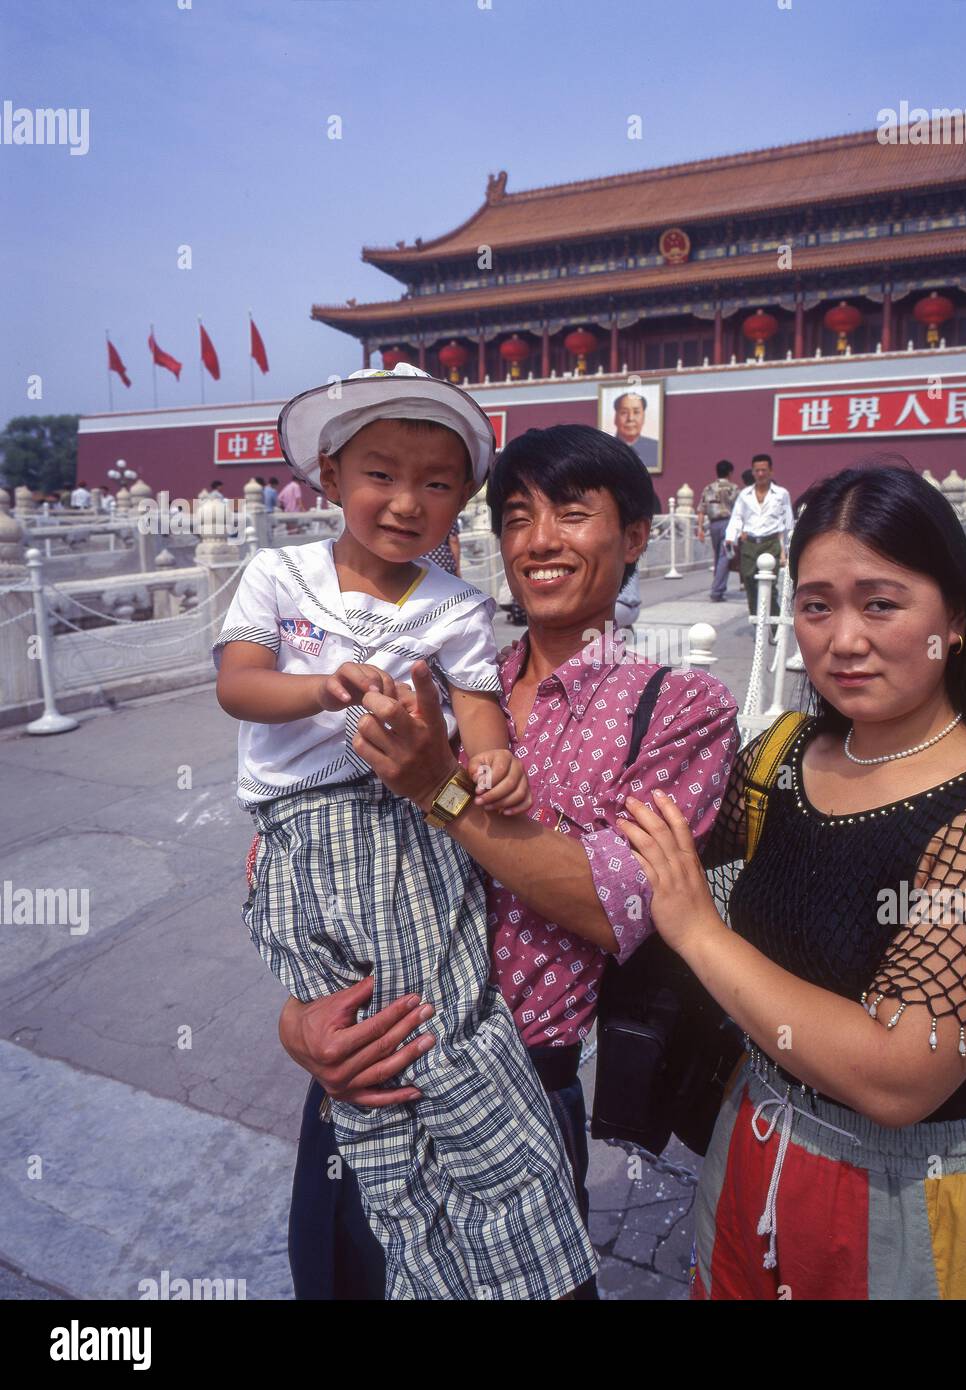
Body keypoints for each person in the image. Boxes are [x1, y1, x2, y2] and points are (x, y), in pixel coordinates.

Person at [273, 423, 739, 1299]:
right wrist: (298, 1026)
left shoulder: (679, 706)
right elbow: (311, 857)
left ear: (635, 535)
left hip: (518, 1089)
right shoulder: (440, 674)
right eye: (518, 516)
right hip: (367, 1076)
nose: (539, 541)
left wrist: (437, 790)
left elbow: (614, 905)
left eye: (572, 513)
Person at [618, 463, 966, 1300]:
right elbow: (638, 877)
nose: (843, 639)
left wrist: (698, 932)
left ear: (958, 618)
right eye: (816, 604)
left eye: (881, 602)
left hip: (919, 1201)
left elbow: (898, 1076)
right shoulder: (787, 755)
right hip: (754, 1145)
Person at [216, 363, 595, 1301]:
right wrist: (326, 686)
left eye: (436, 484)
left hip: (406, 830)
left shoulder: (454, 607)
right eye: (380, 473)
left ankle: (501, 1225)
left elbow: (478, 714)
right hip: (301, 838)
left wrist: (493, 763)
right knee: (356, 1040)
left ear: (461, 502)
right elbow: (238, 685)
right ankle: (437, 1242)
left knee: (437, 1024)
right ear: (331, 476)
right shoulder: (278, 573)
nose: (405, 502)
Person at [725, 454, 794, 638]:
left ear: (771, 471)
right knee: (749, 583)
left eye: (764, 470)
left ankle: (773, 628)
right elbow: (737, 517)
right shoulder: (744, 495)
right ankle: (758, 624)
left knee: (769, 586)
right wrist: (731, 537)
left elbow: (787, 522)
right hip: (749, 544)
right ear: (753, 472)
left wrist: (788, 549)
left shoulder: (781, 494)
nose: (761, 473)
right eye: (757, 470)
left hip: (771, 543)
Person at [697, 460, 738, 602]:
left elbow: (701, 510)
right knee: (724, 557)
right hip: (729, 523)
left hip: (713, 524)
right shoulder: (733, 488)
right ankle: (717, 590)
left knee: (718, 557)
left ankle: (718, 585)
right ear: (730, 473)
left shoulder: (708, 488)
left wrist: (700, 529)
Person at [612, 391, 659, 470]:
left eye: (636, 412)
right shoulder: (605, 450)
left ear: (643, 417)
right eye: (624, 413)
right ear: (615, 418)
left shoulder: (656, 448)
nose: (630, 418)